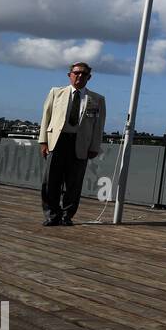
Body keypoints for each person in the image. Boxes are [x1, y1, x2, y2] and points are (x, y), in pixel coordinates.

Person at [37, 62, 106, 226]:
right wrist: (43, 142)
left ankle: (67, 215)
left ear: (89, 77)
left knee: (74, 183)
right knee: (51, 181)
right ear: (70, 75)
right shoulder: (56, 93)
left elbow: (98, 126)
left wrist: (94, 147)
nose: (79, 76)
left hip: (80, 144)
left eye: (83, 74)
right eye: (76, 73)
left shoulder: (97, 99)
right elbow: (45, 118)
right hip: (57, 141)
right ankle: (51, 215)